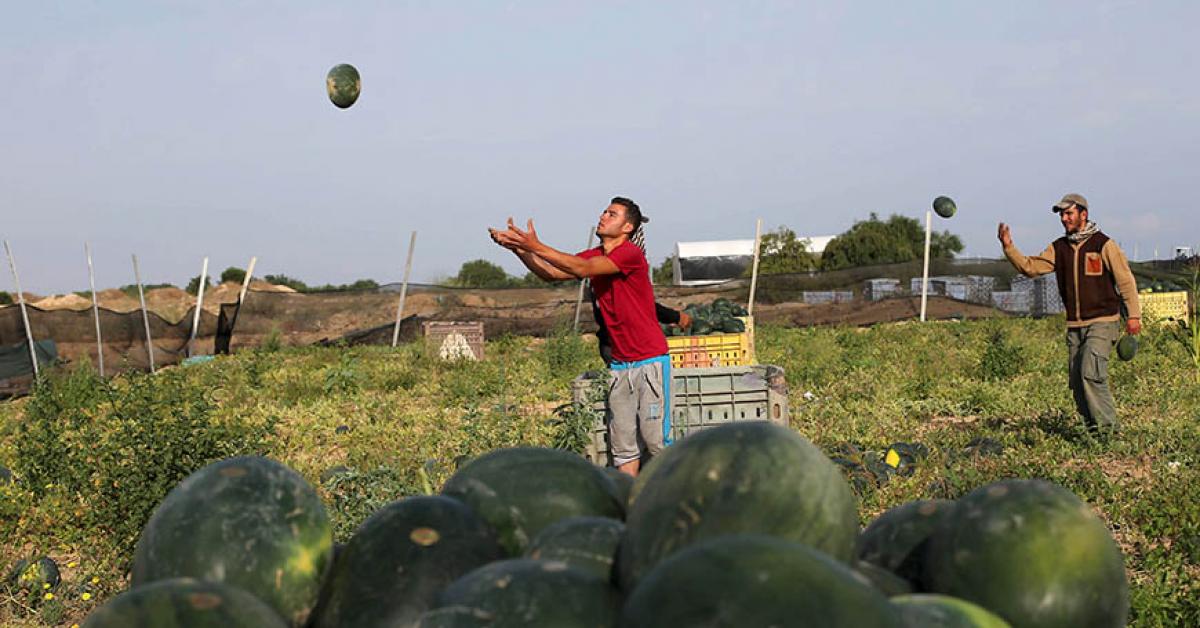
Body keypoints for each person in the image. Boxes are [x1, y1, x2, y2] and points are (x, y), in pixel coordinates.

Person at [490, 197, 669, 475]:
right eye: (604, 211)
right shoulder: (596, 254)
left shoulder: (630, 254)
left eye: (612, 214)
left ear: (627, 227)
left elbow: (581, 269)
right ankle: (629, 504)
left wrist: (533, 245)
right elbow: (551, 273)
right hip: (620, 365)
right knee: (623, 449)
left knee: (658, 444)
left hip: (650, 362)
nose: (603, 216)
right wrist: (519, 250)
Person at [998, 193, 1141, 434]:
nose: (1064, 219)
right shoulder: (1059, 248)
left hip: (1103, 321)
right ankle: (1093, 430)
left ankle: (1109, 432)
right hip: (1075, 325)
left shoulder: (1104, 244)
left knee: (1090, 373)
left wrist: (1134, 315)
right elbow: (1031, 268)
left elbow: (1125, 281)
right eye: (1062, 215)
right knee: (1077, 380)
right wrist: (1009, 247)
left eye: (1069, 213)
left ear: (1083, 214)